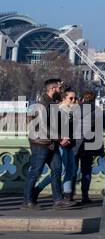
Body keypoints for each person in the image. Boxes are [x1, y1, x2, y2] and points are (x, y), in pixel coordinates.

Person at [24, 78, 72, 209]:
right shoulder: (43, 104)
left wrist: (62, 85)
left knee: (57, 169)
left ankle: (58, 199)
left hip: (50, 143)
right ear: (52, 89)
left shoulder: (52, 102)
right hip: (40, 143)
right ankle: (27, 201)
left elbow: (66, 89)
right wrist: (60, 139)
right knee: (36, 171)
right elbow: (44, 126)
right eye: (58, 88)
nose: (60, 90)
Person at [73, 91, 104, 204]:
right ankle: (84, 195)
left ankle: (69, 195)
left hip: (75, 144)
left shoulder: (75, 109)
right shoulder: (97, 111)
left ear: (83, 99)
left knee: (72, 170)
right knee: (86, 171)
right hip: (89, 145)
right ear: (94, 99)